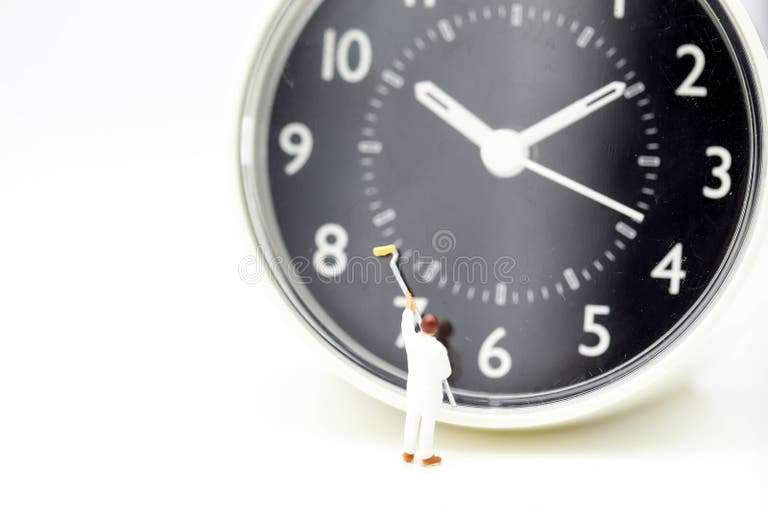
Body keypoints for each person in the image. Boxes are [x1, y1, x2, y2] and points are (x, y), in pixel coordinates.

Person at [400, 292, 452, 466]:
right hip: (430, 392)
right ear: (435, 330)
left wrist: (408, 309)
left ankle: (408, 452)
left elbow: (406, 326)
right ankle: (426, 455)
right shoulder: (439, 348)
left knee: (411, 419)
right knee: (428, 423)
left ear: (421, 325)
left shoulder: (412, 340)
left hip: (413, 388)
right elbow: (446, 373)